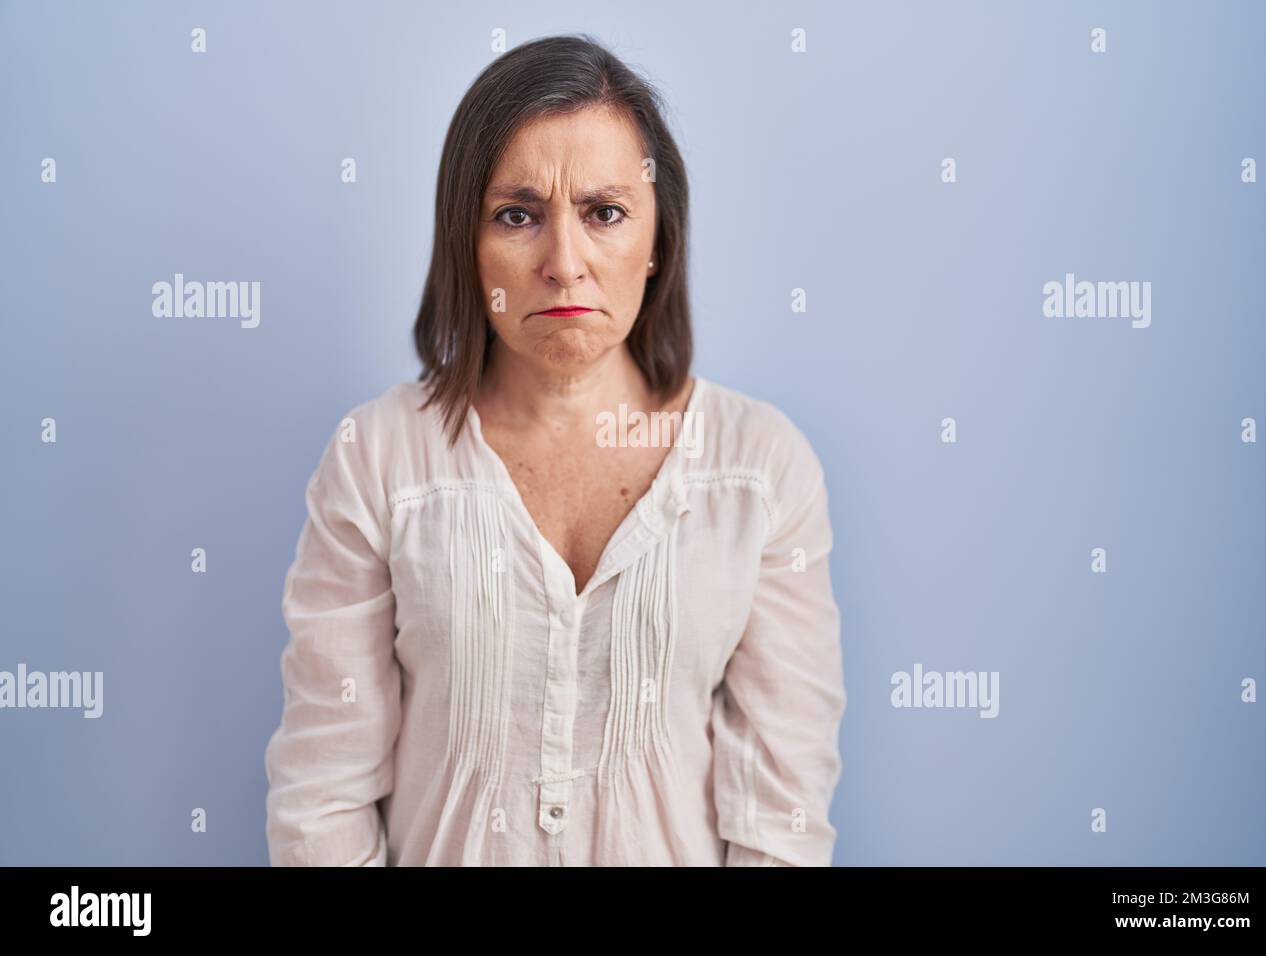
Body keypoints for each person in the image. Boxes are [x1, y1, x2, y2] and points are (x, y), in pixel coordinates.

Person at [264, 32, 846, 866]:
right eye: (518, 215)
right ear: (466, 241)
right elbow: (323, 796)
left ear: (658, 241)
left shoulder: (760, 470)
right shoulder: (377, 458)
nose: (564, 264)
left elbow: (781, 813)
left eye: (605, 213)